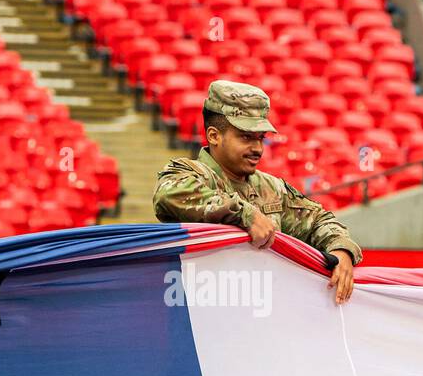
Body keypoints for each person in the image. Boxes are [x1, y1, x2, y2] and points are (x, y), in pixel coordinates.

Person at [153, 80, 363, 303]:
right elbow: (169, 195)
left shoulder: (272, 188)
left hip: (259, 315)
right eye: (246, 137)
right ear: (214, 136)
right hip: (199, 312)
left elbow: (319, 221)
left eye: (260, 138)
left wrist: (342, 252)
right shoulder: (188, 174)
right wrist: (246, 215)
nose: (258, 149)